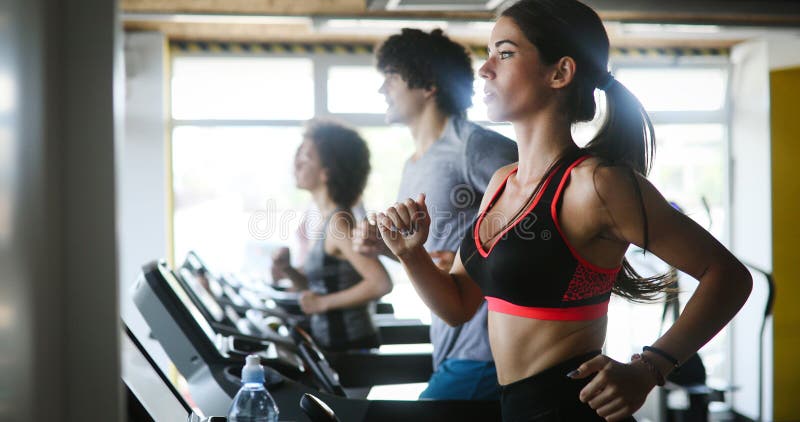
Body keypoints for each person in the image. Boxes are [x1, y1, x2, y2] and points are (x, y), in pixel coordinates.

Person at [374, 1, 752, 420]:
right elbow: (459, 305)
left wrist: (651, 367)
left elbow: (729, 276)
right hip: (511, 408)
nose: (484, 69)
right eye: (487, 54)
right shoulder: (501, 182)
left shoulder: (597, 184)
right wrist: (410, 254)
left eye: (505, 53)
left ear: (560, 73)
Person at [353, 28, 518, 400]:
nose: (383, 91)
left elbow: (545, 222)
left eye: (391, 79)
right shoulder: (414, 163)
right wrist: (386, 247)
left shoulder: (475, 146)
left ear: (428, 84)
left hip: (487, 351)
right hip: (448, 344)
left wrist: (471, 262)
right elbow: (432, 257)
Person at [271, 119, 392, 352]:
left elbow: (380, 283)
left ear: (326, 172)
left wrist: (322, 304)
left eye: (306, 157)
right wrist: (287, 269)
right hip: (333, 346)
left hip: (351, 352)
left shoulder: (339, 222)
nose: (296, 164)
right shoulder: (329, 220)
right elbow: (319, 287)